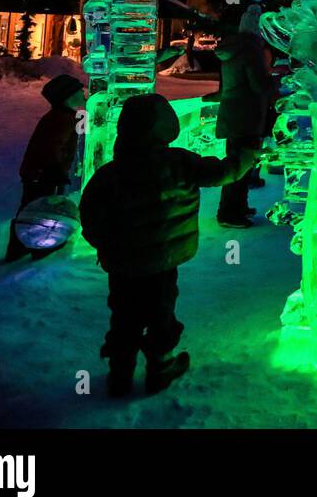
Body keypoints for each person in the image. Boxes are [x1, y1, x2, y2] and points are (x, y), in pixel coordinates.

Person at [80, 94, 261, 397]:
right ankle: (161, 368)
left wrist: (106, 245)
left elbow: (90, 216)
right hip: (164, 261)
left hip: (123, 264)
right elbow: (223, 172)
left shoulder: (110, 174)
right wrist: (247, 156)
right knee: (161, 313)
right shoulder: (180, 162)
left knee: (123, 317)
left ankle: (119, 374)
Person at [8, 74, 86, 261]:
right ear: (67, 97)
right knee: (40, 208)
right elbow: (52, 147)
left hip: (38, 172)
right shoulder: (62, 119)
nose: (84, 94)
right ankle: (34, 245)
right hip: (43, 173)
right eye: (79, 91)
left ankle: (21, 246)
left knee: (31, 205)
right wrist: (57, 171)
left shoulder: (62, 116)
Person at [213, 19, 273, 228]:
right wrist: (275, 84)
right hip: (246, 115)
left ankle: (237, 206)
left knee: (238, 163)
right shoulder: (251, 51)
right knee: (240, 164)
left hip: (235, 115)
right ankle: (229, 213)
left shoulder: (236, 49)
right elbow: (258, 85)